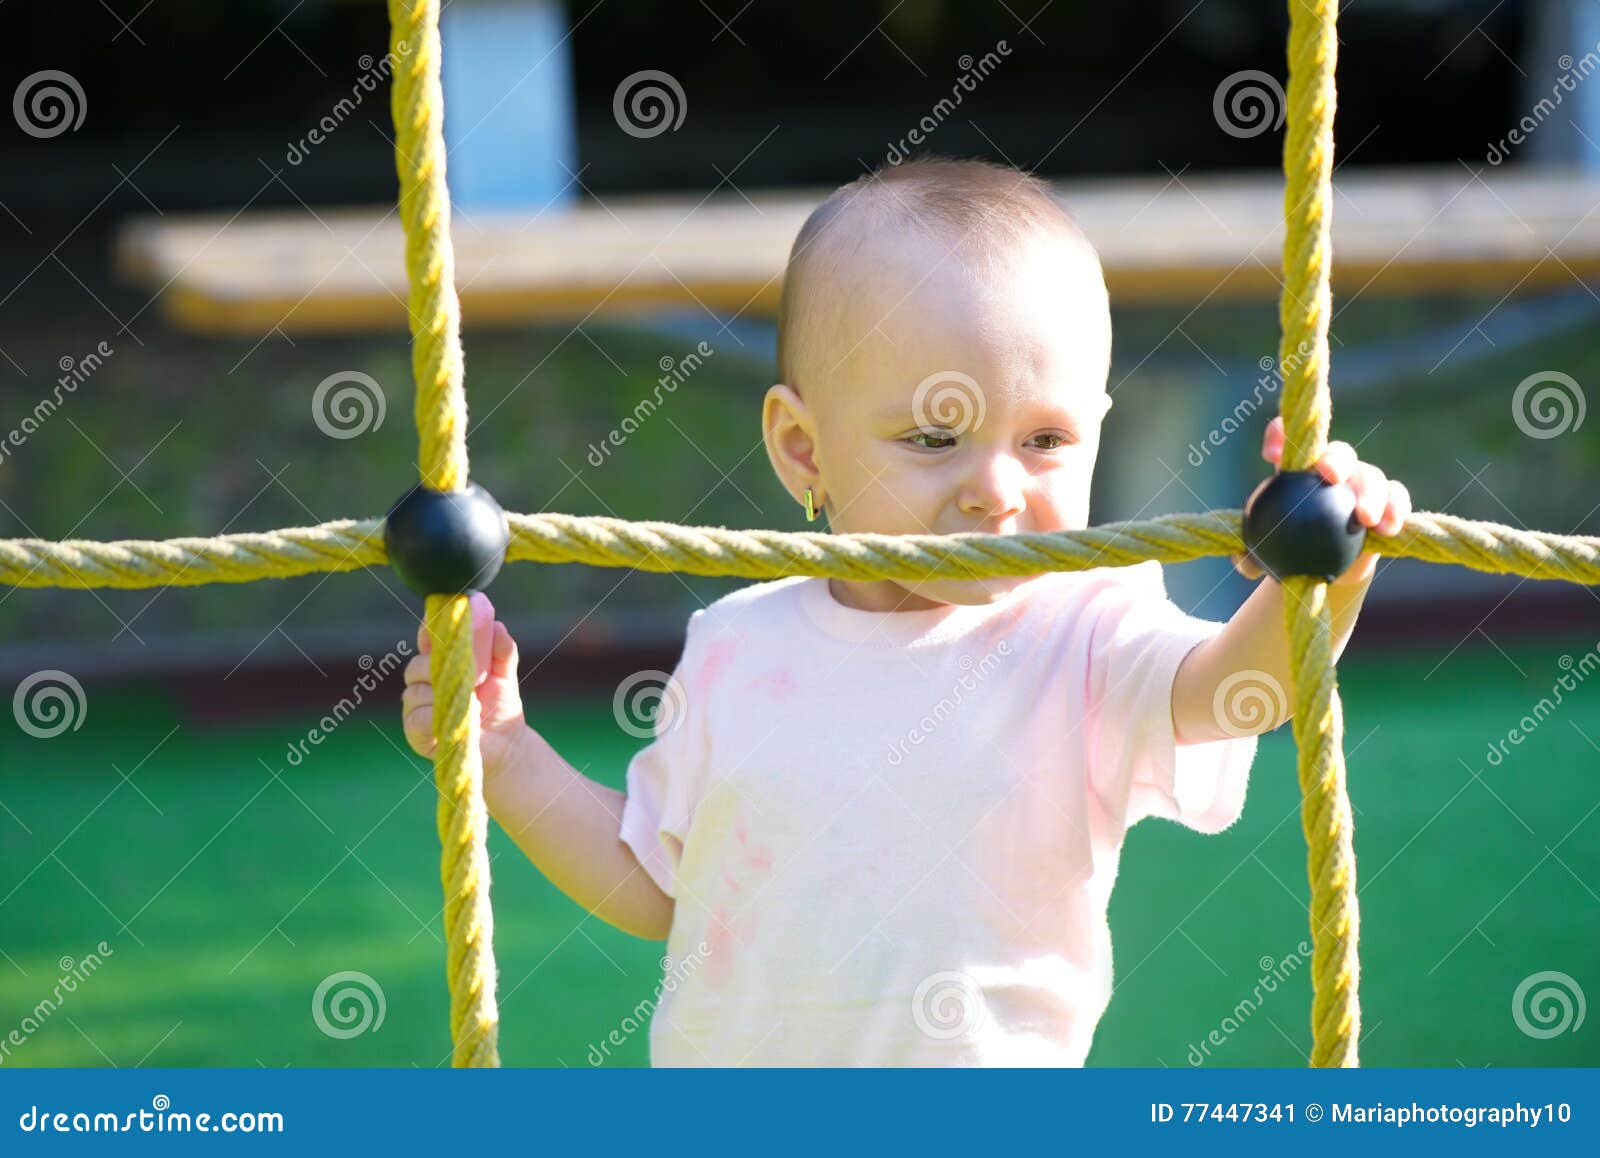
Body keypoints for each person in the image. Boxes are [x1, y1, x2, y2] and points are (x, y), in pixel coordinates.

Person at [401, 155, 1410, 1066]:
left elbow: (1244, 690)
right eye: (934, 439)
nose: (996, 491)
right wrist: (505, 753)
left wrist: (1323, 573)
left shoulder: (1089, 627)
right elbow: (658, 886)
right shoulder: (739, 643)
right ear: (804, 451)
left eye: (1046, 440)